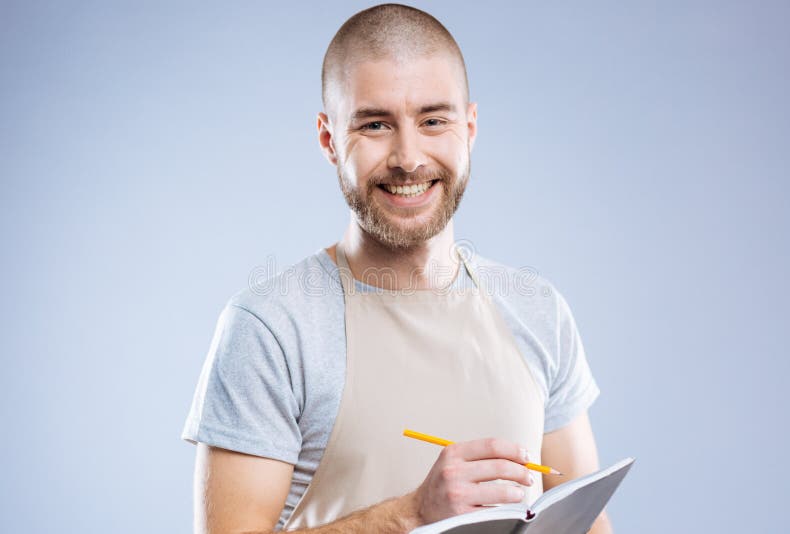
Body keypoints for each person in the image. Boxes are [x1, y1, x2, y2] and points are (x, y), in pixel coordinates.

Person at [181, 4, 611, 533]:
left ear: (469, 128)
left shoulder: (537, 309)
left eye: (434, 120)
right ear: (329, 139)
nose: (409, 157)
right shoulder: (270, 327)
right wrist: (411, 515)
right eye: (376, 124)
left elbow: (587, 523)